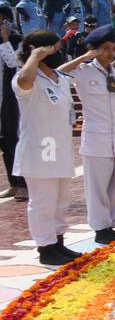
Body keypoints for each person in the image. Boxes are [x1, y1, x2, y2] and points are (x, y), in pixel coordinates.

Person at [12, 30, 79, 266]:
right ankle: (45, 247)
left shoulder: (59, 78)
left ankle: (58, 242)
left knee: (61, 200)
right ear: (39, 51)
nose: (58, 53)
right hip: (39, 151)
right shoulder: (29, 76)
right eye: (54, 49)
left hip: (60, 148)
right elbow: (23, 82)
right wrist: (34, 57)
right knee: (43, 202)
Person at [60, 25, 115, 243]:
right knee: (97, 186)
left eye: (113, 48)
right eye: (104, 49)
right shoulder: (84, 71)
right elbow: (60, 72)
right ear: (95, 50)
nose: (110, 53)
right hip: (96, 137)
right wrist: (86, 57)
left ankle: (111, 225)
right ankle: (100, 229)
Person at [0, 12, 25, 200]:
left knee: (14, 139)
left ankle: (24, 184)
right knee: (4, 142)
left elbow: (12, 63)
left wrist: (4, 40)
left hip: (11, 98)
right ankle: (13, 183)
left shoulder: (16, 40)